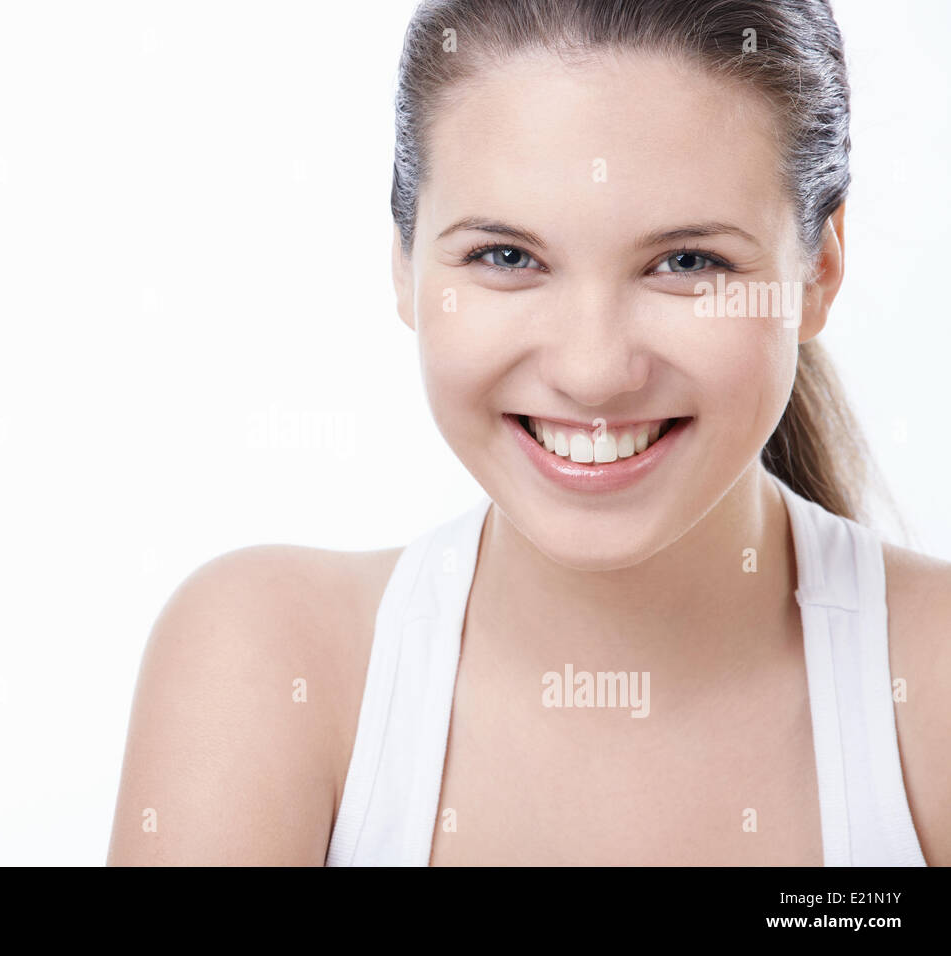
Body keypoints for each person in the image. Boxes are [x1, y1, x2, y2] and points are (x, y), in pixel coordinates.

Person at [107, 0, 951, 866]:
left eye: (687, 262)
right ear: (404, 262)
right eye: (506, 257)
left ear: (818, 272)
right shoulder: (262, 666)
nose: (591, 370)